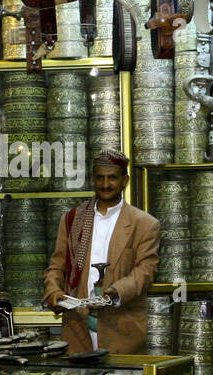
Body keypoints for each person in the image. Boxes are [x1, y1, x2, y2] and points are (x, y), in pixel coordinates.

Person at [43, 149, 160, 354]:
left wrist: (117, 291)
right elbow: (57, 266)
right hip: (77, 328)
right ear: (93, 179)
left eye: (112, 178)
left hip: (122, 329)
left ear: (125, 180)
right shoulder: (72, 220)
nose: (106, 184)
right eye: (100, 178)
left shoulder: (144, 224)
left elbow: (146, 270)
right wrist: (53, 291)